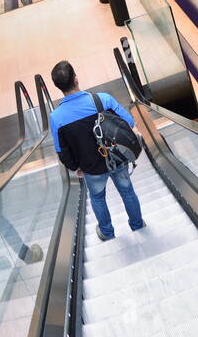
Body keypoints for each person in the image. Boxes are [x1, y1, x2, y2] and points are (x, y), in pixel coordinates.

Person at [48, 61, 144, 242]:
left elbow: (62, 150)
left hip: (90, 168)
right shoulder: (102, 99)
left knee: (98, 198)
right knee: (127, 192)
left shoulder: (56, 117)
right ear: (76, 79)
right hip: (117, 158)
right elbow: (129, 122)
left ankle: (107, 234)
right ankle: (138, 226)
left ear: (58, 87)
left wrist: (75, 167)